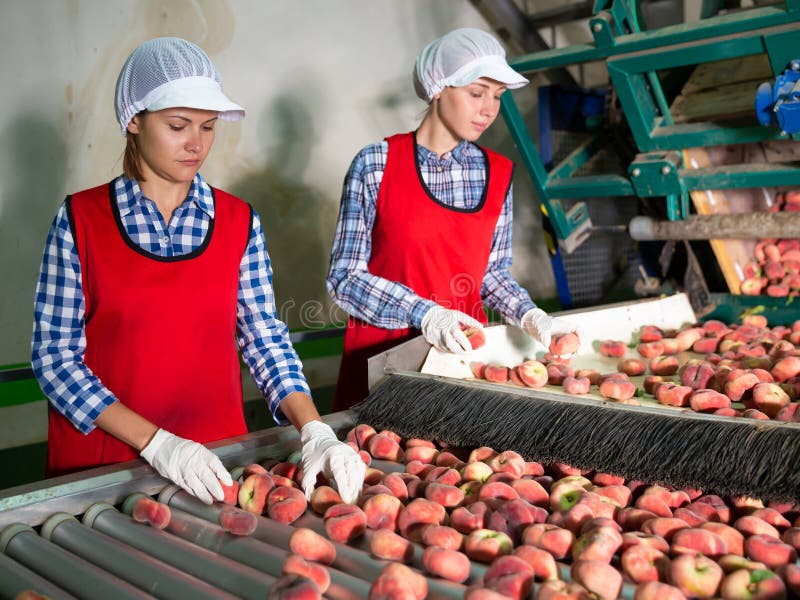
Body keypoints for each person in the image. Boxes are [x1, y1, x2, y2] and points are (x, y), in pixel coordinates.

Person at [31, 37, 364, 505]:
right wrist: (158, 443)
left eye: (208, 127)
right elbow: (56, 360)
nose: (196, 144)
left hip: (214, 464)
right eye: (177, 125)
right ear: (133, 119)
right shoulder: (81, 220)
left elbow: (263, 336)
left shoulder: (238, 221)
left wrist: (315, 430)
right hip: (105, 474)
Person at [327, 28, 583, 411]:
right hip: (384, 361)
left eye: (497, 97)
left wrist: (531, 316)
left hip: (463, 359)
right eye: (477, 93)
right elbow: (344, 278)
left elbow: (491, 274)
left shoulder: (498, 174)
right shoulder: (376, 164)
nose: (489, 109)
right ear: (437, 88)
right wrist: (426, 313)